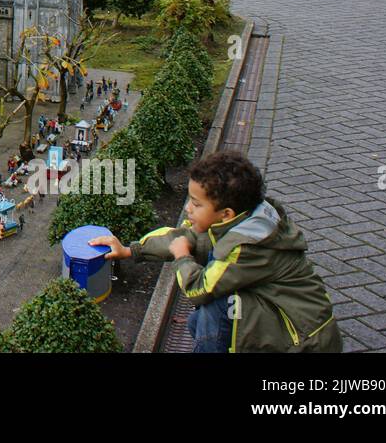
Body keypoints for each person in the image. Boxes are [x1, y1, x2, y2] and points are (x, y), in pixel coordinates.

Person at [90, 150, 341, 353]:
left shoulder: (245, 245)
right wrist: (130, 250)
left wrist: (182, 257)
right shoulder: (241, 218)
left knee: (215, 308)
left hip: (304, 341)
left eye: (196, 204)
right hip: (281, 317)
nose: (188, 208)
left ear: (226, 213)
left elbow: (200, 289)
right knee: (197, 321)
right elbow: (188, 237)